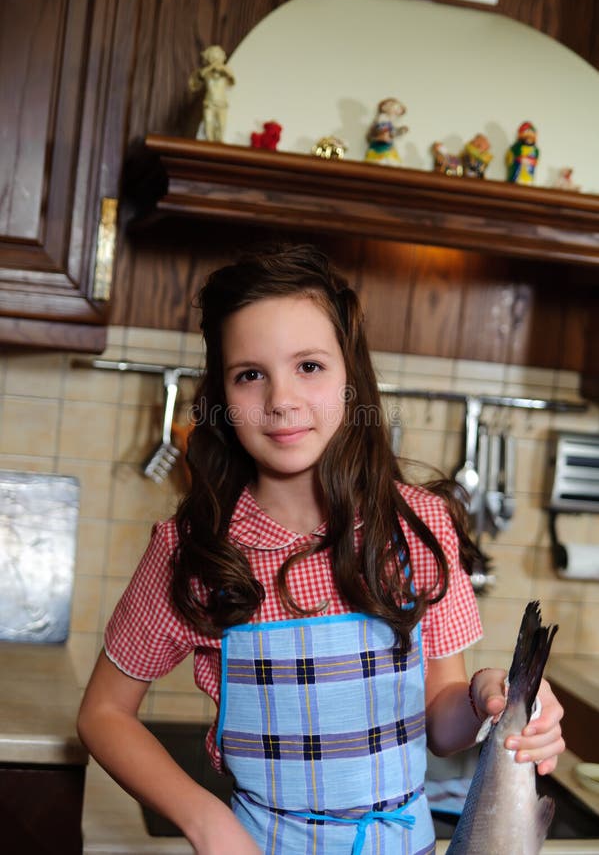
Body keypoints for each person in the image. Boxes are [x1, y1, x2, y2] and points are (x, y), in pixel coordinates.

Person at [78, 245, 565, 855]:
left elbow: (442, 725)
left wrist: (493, 698)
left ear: (350, 379)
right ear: (221, 393)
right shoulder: (193, 549)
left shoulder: (419, 526)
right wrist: (207, 821)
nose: (281, 400)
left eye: (309, 366)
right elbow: (103, 714)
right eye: (249, 374)